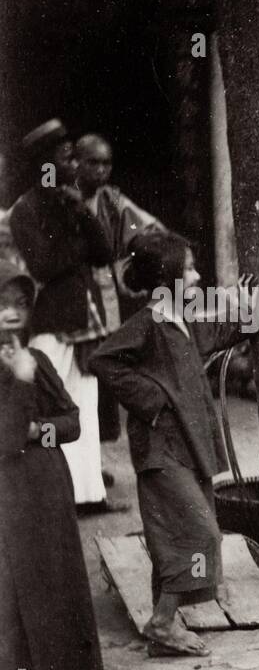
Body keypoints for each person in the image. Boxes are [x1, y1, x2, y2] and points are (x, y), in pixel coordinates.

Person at [90, 231, 256, 657]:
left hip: (189, 446)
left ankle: (162, 634)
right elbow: (102, 360)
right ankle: (162, 623)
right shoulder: (146, 324)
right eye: (190, 270)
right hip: (160, 450)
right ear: (168, 279)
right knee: (200, 532)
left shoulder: (182, 319)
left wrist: (244, 308)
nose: (198, 276)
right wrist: (153, 399)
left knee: (175, 532)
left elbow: (222, 335)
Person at [0, 260, 102, 670]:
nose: (11, 316)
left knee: (56, 604)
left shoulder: (35, 360)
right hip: (10, 507)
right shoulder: (21, 371)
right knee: (17, 617)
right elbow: (3, 441)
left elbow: (72, 422)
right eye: (3, 305)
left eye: (18, 306)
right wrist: (20, 388)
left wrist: (38, 428)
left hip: (47, 499)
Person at [7, 118, 116, 511]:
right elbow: (44, 266)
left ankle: (87, 496)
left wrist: (83, 215)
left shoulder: (72, 202)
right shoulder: (25, 209)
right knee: (51, 407)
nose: (71, 166)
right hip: (53, 326)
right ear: (44, 166)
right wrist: (78, 240)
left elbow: (104, 254)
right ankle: (51, 495)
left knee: (83, 406)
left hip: (84, 323)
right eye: (63, 159)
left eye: (71, 158)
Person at [76, 133, 167, 445]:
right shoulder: (61, 196)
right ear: (77, 163)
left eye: (106, 163)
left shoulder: (112, 202)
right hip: (69, 299)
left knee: (101, 373)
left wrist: (145, 248)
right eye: (93, 162)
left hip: (103, 295)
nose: (101, 170)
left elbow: (140, 227)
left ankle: (94, 460)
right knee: (74, 378)